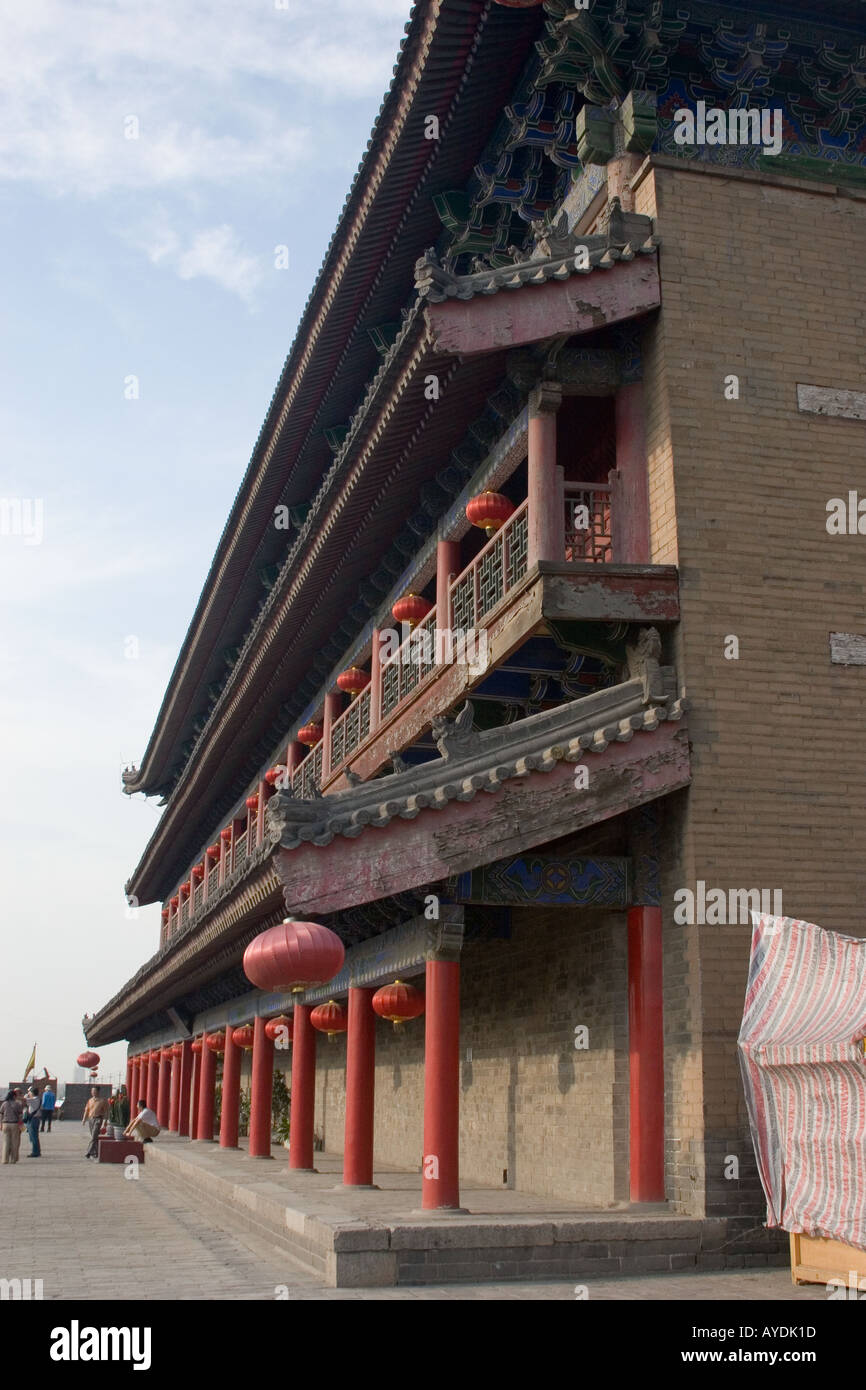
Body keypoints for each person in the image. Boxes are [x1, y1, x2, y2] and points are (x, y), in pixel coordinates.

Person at [82, 1088, 110, 1160]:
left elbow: (106, 1112)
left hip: (98, 1119)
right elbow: (86, 1110)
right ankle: (96, 1153)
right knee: (94, 1137)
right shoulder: (90, 1100)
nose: (93, 1092)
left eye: (94, 1091)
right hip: (91, 1119)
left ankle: (89, 1152)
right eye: (92, 1091)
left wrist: (105, 1121)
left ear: (98, 1092)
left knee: (94, 1135)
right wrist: (84, 1119)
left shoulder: (102, 1101)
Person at [0, 1090, 24, 1164]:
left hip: (5, 1124)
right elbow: (20, 1116)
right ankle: (13, 1159)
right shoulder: (17, 1104)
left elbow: (1, 1114)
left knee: (6, 1142)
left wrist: (0, 1124)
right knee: (14, 1142)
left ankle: (5, 1159)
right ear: (14, 1096)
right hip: (14, 1124)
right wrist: (21, 1125)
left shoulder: (4, 1104)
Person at [22, 1086, 41, 1157]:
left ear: (32, 1093)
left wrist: (26, 1096)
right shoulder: (36, 1099)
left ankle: (35, 1152)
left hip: (33, 1119)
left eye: (29, 1092)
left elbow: (23, 1100)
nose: (28, 1093)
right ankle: (37, 1151)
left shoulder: (34, 1100)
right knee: (35, 1136)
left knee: (33, 1136)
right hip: (35, 1119)